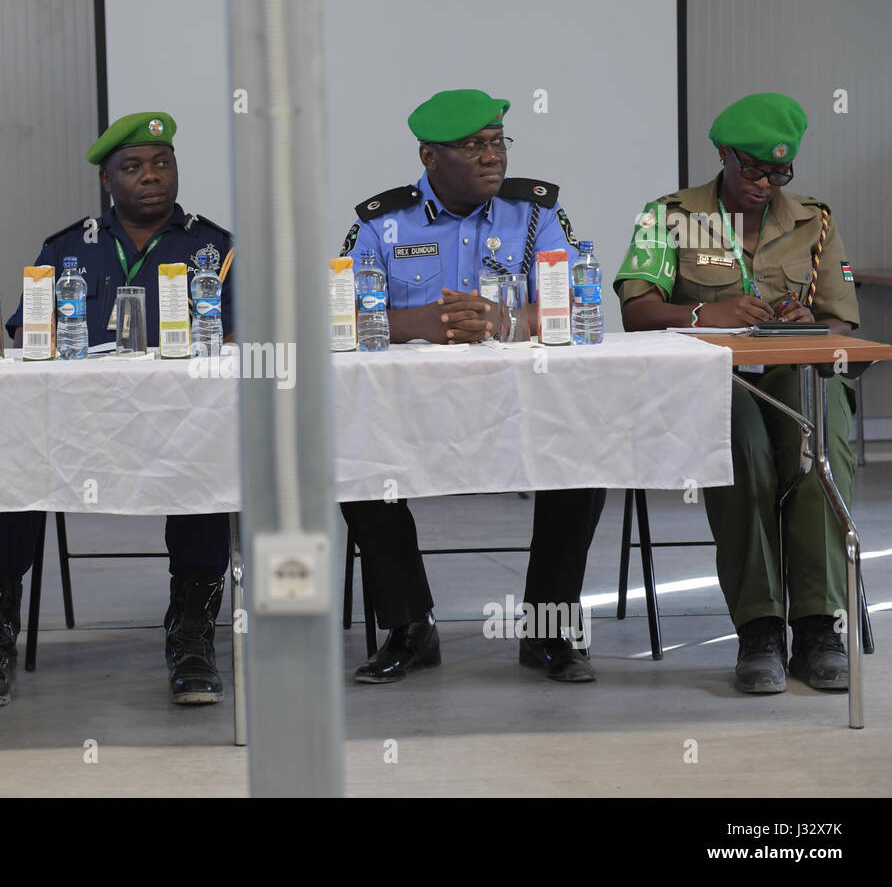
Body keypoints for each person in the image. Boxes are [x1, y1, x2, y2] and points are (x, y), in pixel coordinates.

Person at [0, 111, 237, 708]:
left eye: (162, 163)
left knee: (207, 469)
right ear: (107, 181)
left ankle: (190, 637)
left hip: (175, 427)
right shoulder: (67, 247)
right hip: (72, 431)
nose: (151, 176)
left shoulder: (215, 247)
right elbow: (21, 331)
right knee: (7, 465)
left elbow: (245, 339)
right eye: (132, 167)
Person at [341, 89, 606, 684]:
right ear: (429, 157)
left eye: (498, 143)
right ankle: (410, 627)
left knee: (584, 459)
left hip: (522, 406)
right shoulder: (383, 222)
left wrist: (503, 319)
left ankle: (547, 628)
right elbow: (344, 318)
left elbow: (576, 303)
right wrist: (420, 324)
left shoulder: (535, 215)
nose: (493, 157)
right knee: (354, 461)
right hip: (410, 413)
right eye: (474, 146)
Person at [613, 92, 858, 694]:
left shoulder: (814, 219)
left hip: (791, 374)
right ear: (723, 154)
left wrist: (813, 326)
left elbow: (843, 322)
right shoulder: (669, 215)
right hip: (708, 377)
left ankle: (818, 626)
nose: (765, 183)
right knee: (741, 449)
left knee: (817, 441)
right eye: (752, 168)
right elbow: (636, 309)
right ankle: (759, 629)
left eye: (780, 171)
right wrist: (705, 310)